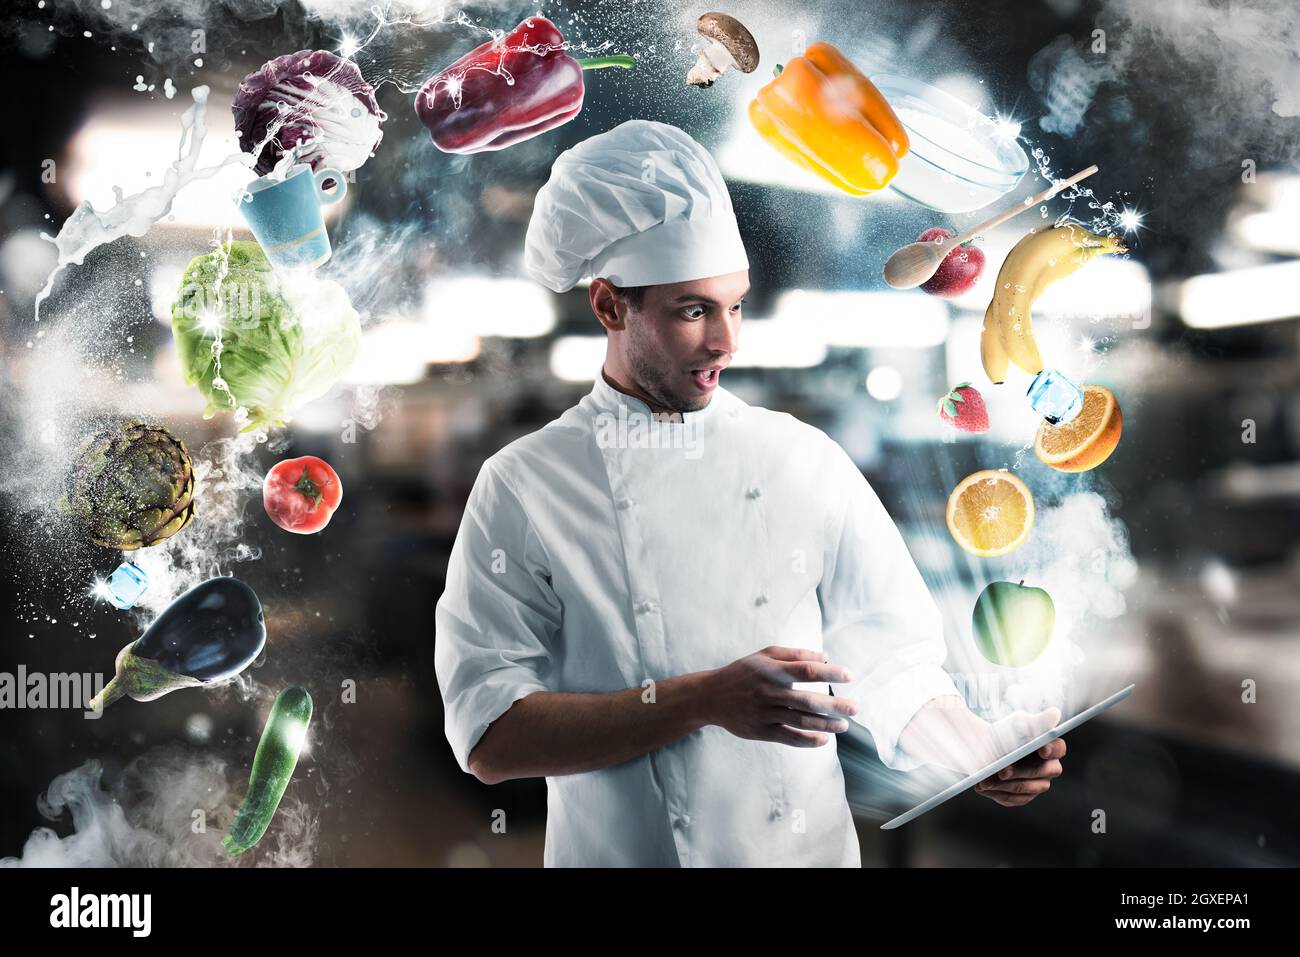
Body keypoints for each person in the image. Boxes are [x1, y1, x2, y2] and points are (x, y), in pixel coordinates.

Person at [434, 120, 1066, 867]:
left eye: (735, 305)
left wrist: (974, 748)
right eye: (693, 310)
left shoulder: (802, 459)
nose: (727, 341)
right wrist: (703, 699)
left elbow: (892, 661)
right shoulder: (527, 483)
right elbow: (490, 736)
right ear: (609, 306)